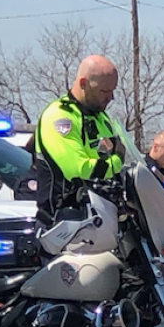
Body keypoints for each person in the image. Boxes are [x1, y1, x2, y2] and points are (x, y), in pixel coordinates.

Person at [32, 55, 124, 218]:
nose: (111, 97)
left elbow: (109, 155)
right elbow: (79, 170)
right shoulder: (60, 117)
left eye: (112, 91)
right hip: (66, 220)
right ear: (83, 84)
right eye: (104, 91)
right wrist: (118, 162)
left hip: (101, 216)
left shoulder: (101, 118)